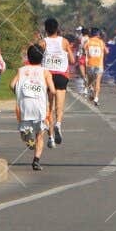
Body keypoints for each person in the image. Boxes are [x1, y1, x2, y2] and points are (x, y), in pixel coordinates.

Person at [12, 42, 54, 171]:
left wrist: (18, 93)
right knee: (40, 135)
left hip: (24, 106)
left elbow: (12, 84)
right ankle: (36, 160)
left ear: (28, 57)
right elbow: (52, 91)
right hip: (40, 107)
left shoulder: (21, 70)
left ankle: (28, 140)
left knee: (24, 132)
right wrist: (50, 102)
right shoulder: (45, 72)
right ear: (42, 58)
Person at [40, 17, 74, 145]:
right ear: (57, 29)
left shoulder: (42, 42)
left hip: (48, 75)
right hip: (61, 75)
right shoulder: (64, 41)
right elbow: (72, 60)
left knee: (48, 107)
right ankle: (58, 124)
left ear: (46, 29)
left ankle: (51, 138)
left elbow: (35, 57)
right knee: (59, 106)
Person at [82, 28, 108, 104]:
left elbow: (84, 49)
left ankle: (88, 91)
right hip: (99, 64)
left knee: (90, 80)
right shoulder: (101, 42)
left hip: (90, 64)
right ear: (98, 34)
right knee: (97, 81)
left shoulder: (88, 41)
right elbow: (106, 51)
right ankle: (96, 98)